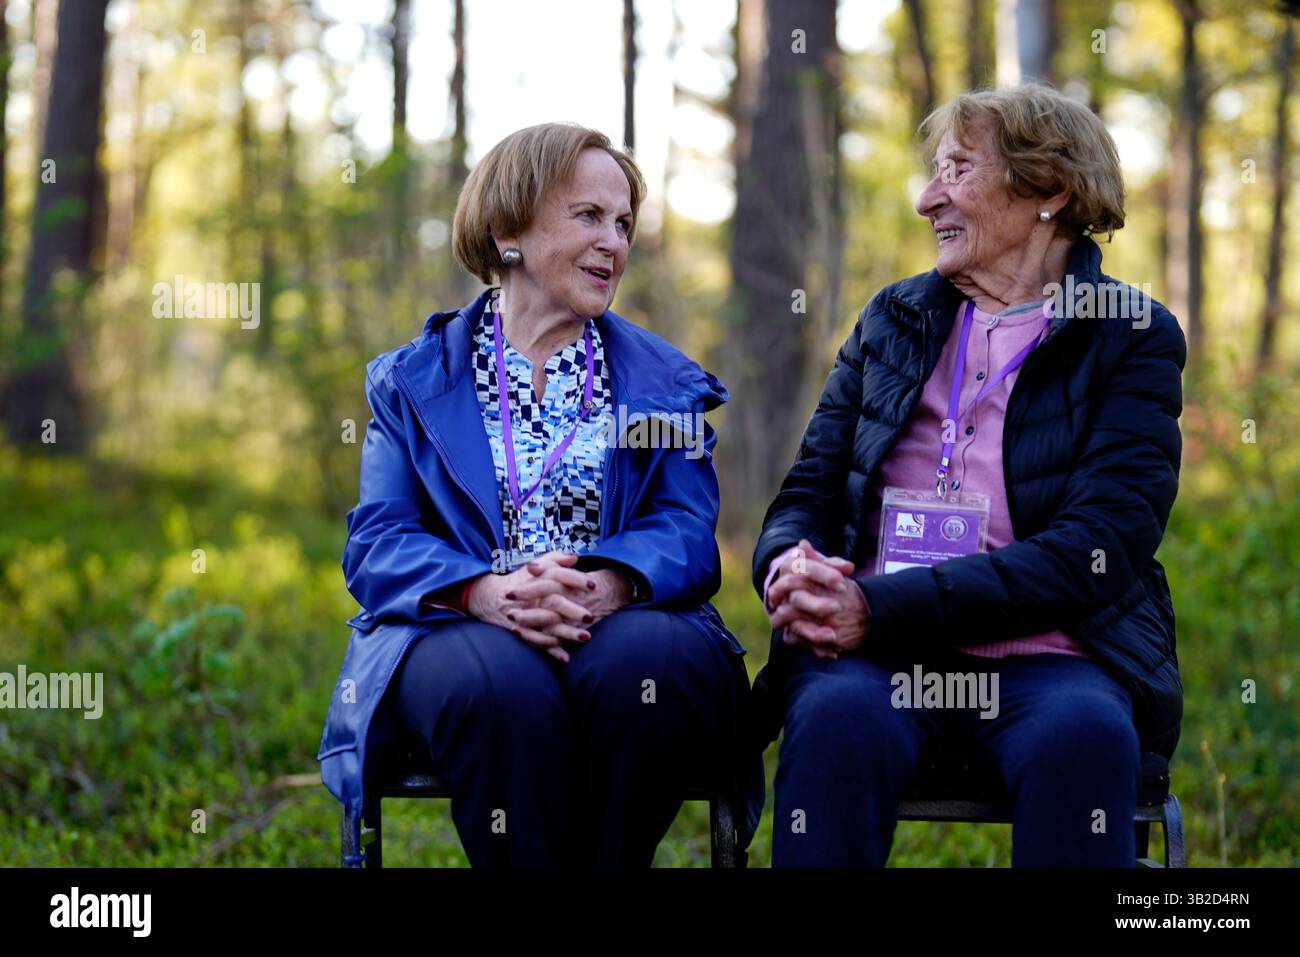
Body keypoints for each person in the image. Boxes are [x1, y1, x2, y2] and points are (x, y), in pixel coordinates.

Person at [751, 85, 1186, 867]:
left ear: (1050, 189)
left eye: (956, 168)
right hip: (876, 660)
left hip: (1052, 658)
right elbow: (808, 490)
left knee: (1083, 737)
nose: (927, 199)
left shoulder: (1133, 337)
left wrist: (871, 607)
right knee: (836, 723)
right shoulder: (895, 320)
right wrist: (792, 564)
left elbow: (1097, 547)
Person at [318, 122, 762, 867]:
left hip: (622, 619)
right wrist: (486, 593)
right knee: (499, 692)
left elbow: (685, 528)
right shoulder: (414, 384)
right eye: (588, 216)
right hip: (459, 625)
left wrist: (606, 584)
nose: (614, 242)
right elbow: (378, 543)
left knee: (646, 670)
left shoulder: (662, 387)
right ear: (507, 229)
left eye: (623, 224)